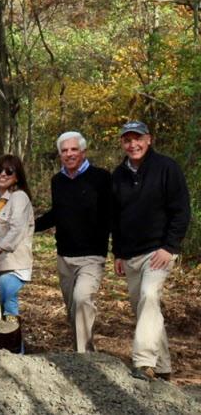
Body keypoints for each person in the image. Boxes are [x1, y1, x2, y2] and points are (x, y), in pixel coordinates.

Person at [111, 121, 190, 381]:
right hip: (131, 253)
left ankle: (144, 362)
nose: (133, 144)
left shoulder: (166, 168)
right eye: (127, 140)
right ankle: (164, 368)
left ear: (149, 140)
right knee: (146, 308)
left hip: (158, 251)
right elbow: (116, 218)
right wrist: (118, 253)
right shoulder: (119, 175)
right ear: (122, 143)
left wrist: (170, 247)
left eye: (138, 138)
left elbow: (181, 211)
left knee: (148, 296)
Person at [35, 132, 112, 353]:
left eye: (73, 149)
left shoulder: (101, 178)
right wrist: (31, 225)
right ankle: (85, 349)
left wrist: (121, 250)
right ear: (60, 155)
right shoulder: (57, 181)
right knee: (73, 309)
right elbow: (57, 213)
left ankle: (84, 358)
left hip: (92, 255)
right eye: (64, 151)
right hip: (64, 256)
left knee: (82, 299)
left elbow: (110, 215)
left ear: (83, 152)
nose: (69, 154)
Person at [0, 155, 34, 354]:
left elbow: (16, 229)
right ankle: (16, 353)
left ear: (17, 176)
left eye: (9, 171)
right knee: (10, 307)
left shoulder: (19, 197)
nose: (3, 174)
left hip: (15, 264)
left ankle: (6, 349)